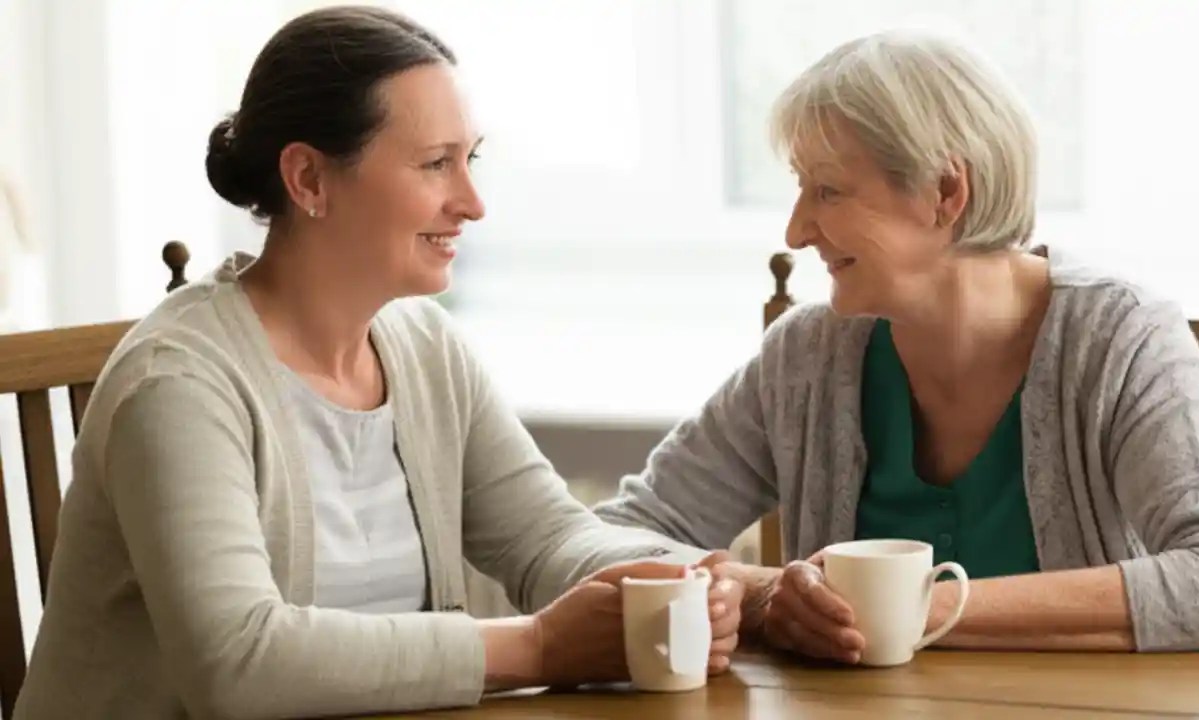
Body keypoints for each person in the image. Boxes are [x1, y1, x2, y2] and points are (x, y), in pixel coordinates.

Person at [14, 7, 742, 719]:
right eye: (436, 165)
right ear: (308, 180)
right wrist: (543, 645)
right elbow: (235, 664)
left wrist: (693, 577)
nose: (473, 203)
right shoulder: (178, 384)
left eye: (470, 160)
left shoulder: (425, 348)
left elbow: (546, 537)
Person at [595, 29, 1199, 660]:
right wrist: (762, 595)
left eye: (828, 190)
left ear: (946, 190)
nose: (797, 229)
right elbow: (613, 540)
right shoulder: (805, 358)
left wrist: (918, 607)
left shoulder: (1120, 339)